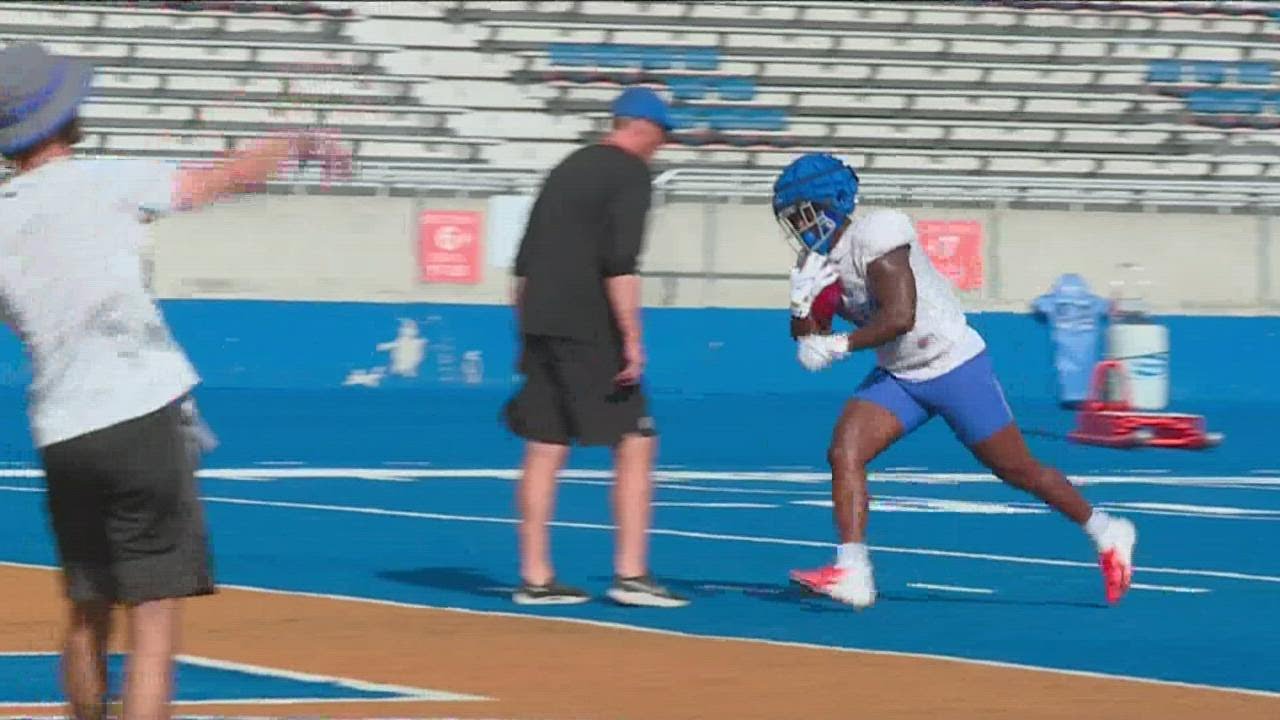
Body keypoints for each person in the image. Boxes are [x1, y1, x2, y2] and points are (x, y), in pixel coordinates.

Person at [0, 42, 348, 720]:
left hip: (61, 425)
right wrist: (294, 141)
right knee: (153, 614)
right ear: (67, 116)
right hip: (134, 409)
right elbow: (213, 182)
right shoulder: (103, 181)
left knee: (86, 609)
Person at [775, 152, 1137, 609]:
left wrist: (840, 346)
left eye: (802, 213)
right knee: (845, 450)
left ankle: (1106, 530)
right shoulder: (817, 264)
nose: (799, 227)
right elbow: (810, 348)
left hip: (952, 365)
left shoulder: (876, 237)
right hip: (901, 375)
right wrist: (800, 309)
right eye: (791, 218)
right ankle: (853, 571)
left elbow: (901, 317)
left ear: (830, 204)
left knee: (1017, 469)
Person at [502, 87, 687, 608]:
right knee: (635, 439)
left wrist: (525, 331)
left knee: (546, 444)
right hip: (589, 325)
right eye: (662, 135)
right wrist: (632, 340)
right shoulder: (630, 174)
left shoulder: (567, 168)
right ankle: (631, 573)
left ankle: (535, 576)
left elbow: (523, 264)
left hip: (539, 319)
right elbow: (619, 263)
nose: (663, 146)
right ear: (643, 128)